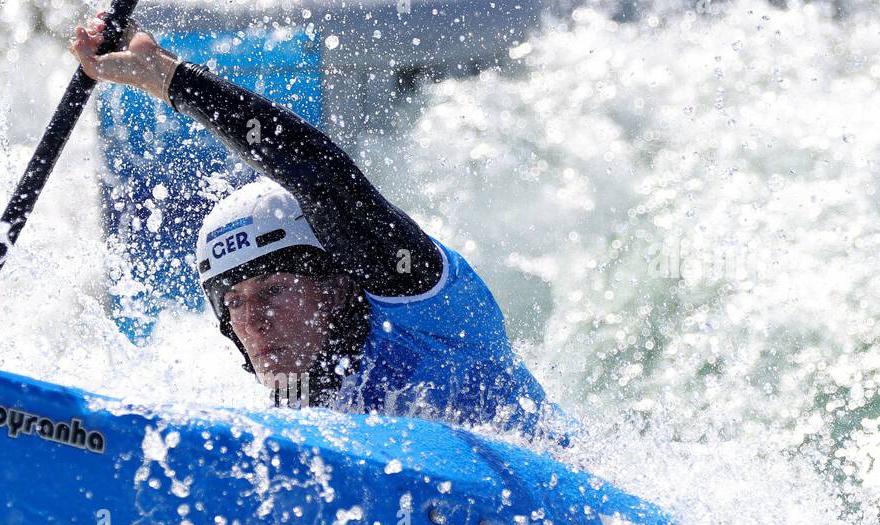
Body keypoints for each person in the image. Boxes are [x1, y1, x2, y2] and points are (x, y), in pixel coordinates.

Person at [71, 14, 567, 442]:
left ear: (336, 282)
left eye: (272, 289)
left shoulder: (424, 305)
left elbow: (320, 175)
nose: (252, 321)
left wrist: (166, 77)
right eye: (235, 302)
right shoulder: (302, 408)